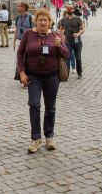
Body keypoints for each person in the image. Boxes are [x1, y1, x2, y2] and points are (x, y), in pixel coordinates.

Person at [16, 9, 68, 153]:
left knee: (50, 107)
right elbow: (20, 54)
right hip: (33, 76)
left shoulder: (56, 35)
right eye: (40, 20)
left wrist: (59, 45)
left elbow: (66, 54)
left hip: (52, 76)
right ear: (36, 21)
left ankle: (49, 136)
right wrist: (22, 72)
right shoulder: (28, 34)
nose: (43, 22)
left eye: (46, 20)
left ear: (50, 22)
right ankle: (36, 138)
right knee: (34, 104)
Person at [57, 5, 86, 79]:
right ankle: (66, 74)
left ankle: (79, 73)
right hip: (68, 42)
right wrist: (62, 36)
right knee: (67, 57)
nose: (69, 9)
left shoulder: (78, 19)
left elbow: (83, 29)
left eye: (71, 8)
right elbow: (61, 29)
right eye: (68, 8)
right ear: (66, 10)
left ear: (73, 9)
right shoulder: (64, 19)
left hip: (77, 41)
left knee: (78, 58)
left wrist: (78, 33)